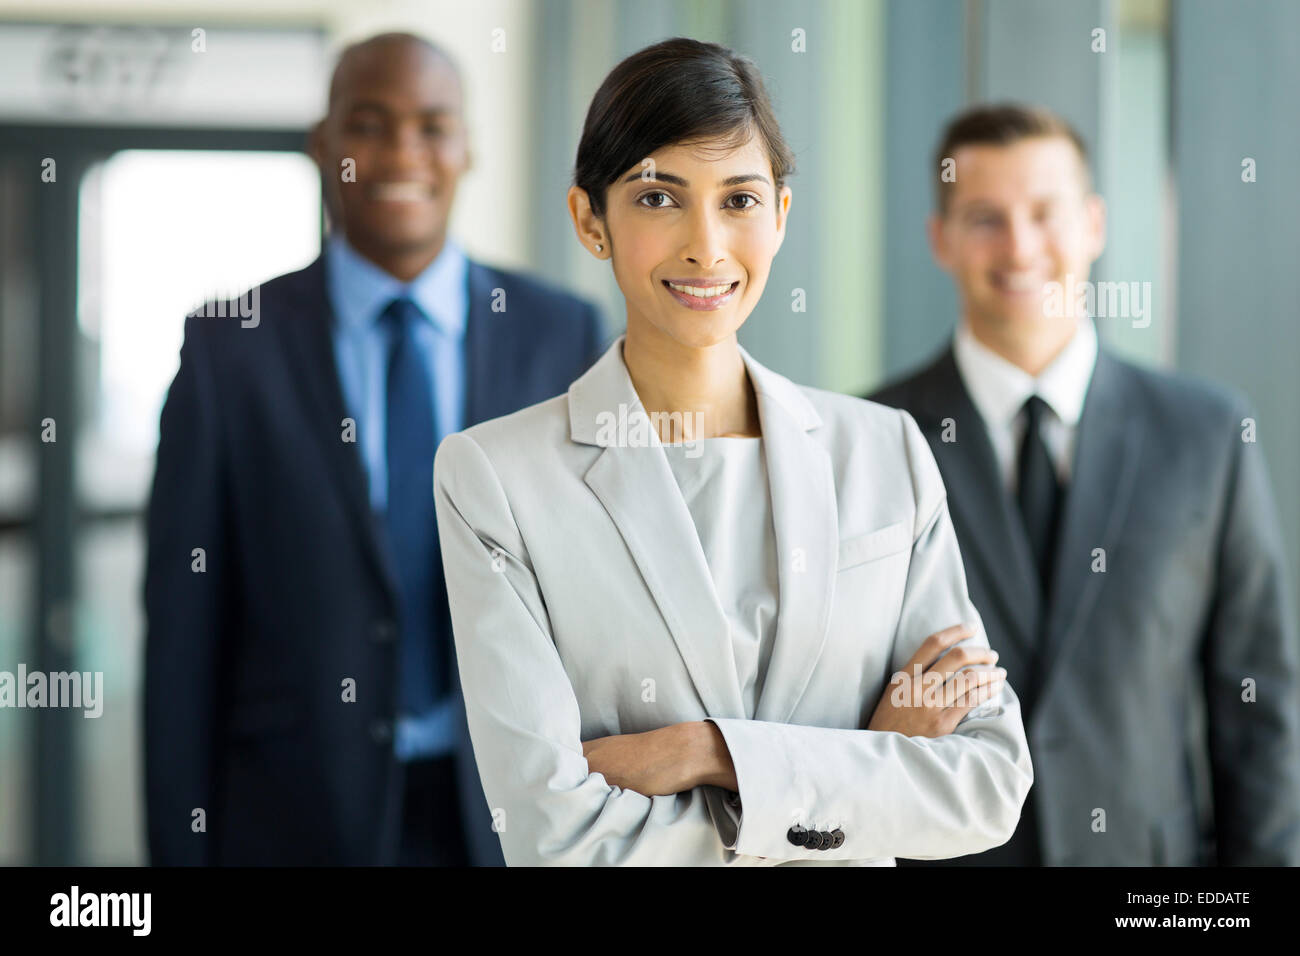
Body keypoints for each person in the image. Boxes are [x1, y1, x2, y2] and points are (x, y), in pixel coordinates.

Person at [431, 37, 1031, 866]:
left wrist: (707, 752)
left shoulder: (883, 451)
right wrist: (861, 761)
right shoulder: (495, 479)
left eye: (739, 200)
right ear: (589, 221)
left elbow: (987, 784)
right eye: (656, 198)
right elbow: (552, 835)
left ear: (781, 215)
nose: (706, 246)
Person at [143, 32, 603, 866]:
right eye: (369, 122)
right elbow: (182, 640)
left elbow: (602, 607)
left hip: (513, 814)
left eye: (433, 125)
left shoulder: (558, 335)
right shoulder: (229, 348)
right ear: (324, 146)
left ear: (467, 150)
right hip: (290, 821)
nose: (402, 152)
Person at [871, 103, 1300, 865]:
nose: (1021, 246)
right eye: (984, 218)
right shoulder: (871, 439)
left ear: (1094, 223)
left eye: (1046, 213)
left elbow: (1258, 707)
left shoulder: (1205, 434)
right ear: (940, 239)